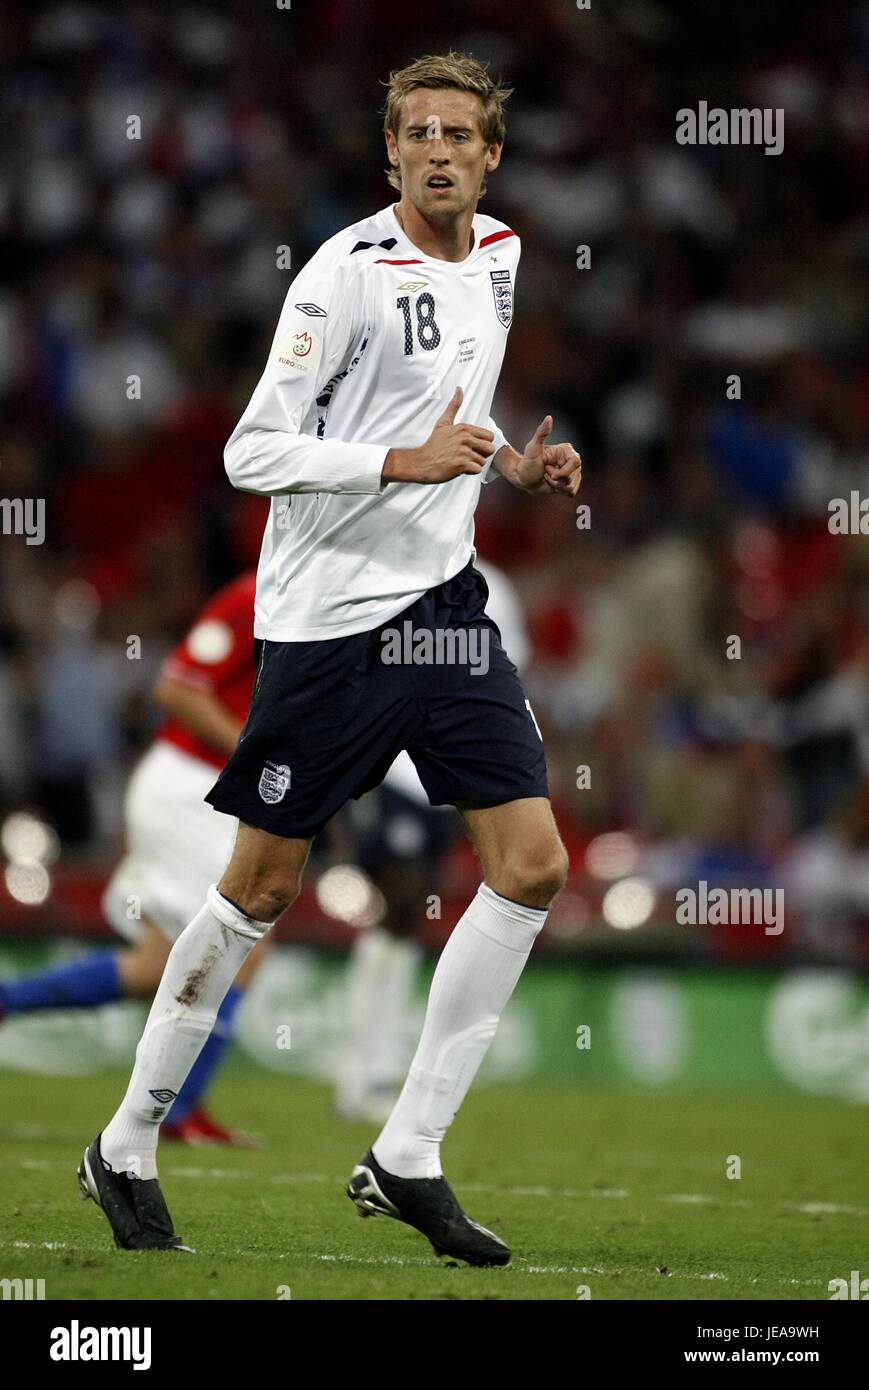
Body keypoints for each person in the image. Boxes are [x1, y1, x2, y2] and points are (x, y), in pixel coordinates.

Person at [78, 50, 581, 1265]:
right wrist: (393, 464)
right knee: (258, 889)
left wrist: (509, 465)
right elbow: (252, 452)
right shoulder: (340, 277)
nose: (441, 150)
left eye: (462, 133)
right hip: (326, 625)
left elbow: (452, 399)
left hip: (442, 607)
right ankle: (128, 1141)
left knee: (531, 866)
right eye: (419, 133)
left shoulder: (505, 258)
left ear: (491, 153)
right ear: (391, 153)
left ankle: (407, 1149)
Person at [1, 571, 267, 1146]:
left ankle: (6, 1002)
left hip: (212, 792)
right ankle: (179, 1110)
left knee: (155, 965)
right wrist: (256, 753)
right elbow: (175, 690)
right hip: (191, 785)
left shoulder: (339, 607)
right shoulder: (258, 593)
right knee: (243, 944)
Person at [334, 556, 531, 1124]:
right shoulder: (392, 568)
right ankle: (363, 1069)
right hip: (393, 768)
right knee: (396, 908)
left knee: (407, 919)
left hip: (448, 778)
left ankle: (372, 1066)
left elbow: (507, 670)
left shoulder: (497, 585)